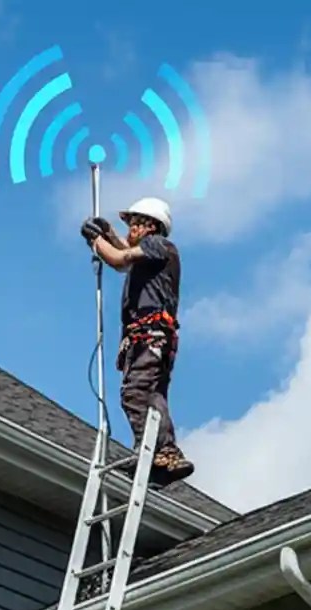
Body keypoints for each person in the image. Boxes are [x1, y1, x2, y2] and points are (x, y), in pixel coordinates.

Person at [81, 197, 194, 484]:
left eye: (133, 224)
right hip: (153, 338)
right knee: (153, 396)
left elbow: (119, 259)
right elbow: (125, 256)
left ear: (150, 226)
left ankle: (151, 451)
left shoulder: (159, 244)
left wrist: (96, 242)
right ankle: (165, 453)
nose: (129, 230)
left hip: (150, 336)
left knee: (135, 392)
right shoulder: (151, 255)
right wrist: (107, 234)